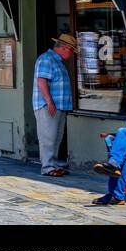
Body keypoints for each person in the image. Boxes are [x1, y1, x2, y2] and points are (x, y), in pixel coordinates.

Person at [33, 33, 77, 177]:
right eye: (71, 51)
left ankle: (54, 164)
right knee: (48, 137)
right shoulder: (47, 59)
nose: (71, 54)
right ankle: (47, 167)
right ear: (65, 48)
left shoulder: (57, 61)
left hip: (59, 105)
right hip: (49, 106)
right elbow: (41, 81)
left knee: (56, 137)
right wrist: (49, 101)